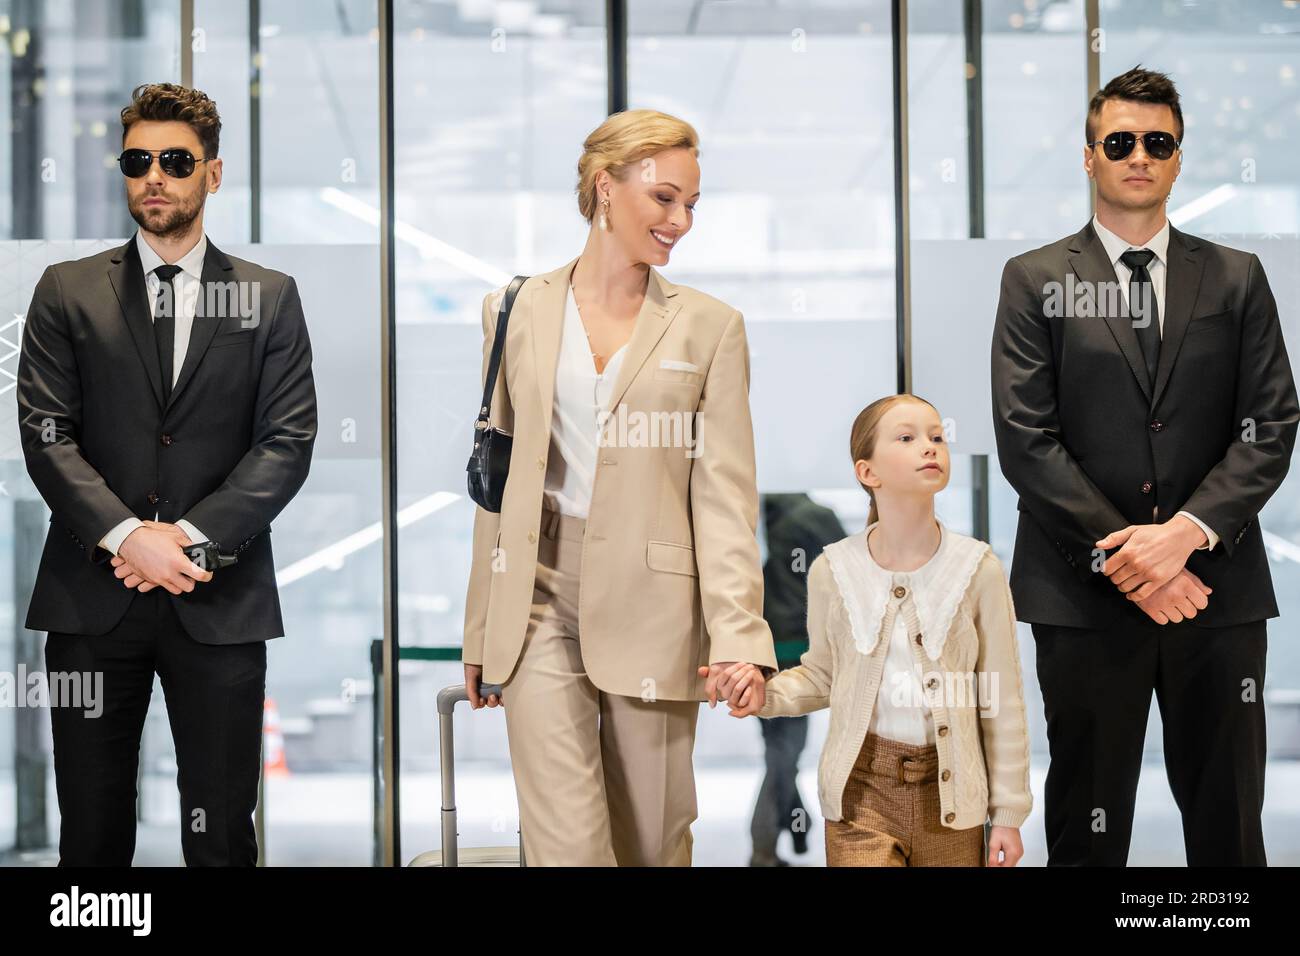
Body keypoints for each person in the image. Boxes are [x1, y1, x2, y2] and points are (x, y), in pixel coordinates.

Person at [990, 66, 1298, 865]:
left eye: (1156, 143)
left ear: (1178, 158)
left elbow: (1270, 423)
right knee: (1087, 825)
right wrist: (1137, 558)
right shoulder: (1035, 279)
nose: (1139, 155)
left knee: (1229, 829)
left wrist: (1185, 536)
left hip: (1216, 594)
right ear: (1089, 157)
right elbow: (1027, 438)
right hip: (1083, 594)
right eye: (1119, 141)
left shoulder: (1236, 276)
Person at [461, 109, 776, 866]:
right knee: (566, 847)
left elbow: (725, 499)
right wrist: (482, 623)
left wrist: (739, 635)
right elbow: (496, 483)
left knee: (652, 842)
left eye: (692, 204)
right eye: (665, 198)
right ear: (606, 187)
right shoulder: (512, 310)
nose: (681, 221)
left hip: (657, 606)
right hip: (535, 598)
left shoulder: (710, 327)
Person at [17, 83, 318, 866]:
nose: (154, 175)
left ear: (211, 175)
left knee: (220, 830)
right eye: (138, 159)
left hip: (220, 598)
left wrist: (180, 541)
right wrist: (126, 536)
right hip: (90, 600)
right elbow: (48, 437)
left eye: (175, 160)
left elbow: (285, 443)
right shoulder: (66, 290)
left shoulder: (267, 298)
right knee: (89, 830)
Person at [724, 395, 1032, 866]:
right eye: (907, 438)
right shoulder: (833, 569)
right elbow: (821, 676)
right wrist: (764, 695)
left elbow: (1003, 702)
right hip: (859, 795)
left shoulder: (978, 569)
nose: (929, 447)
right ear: (868, 473)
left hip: (952, 802)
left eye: (936, 437)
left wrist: (1007, 813)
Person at [749, 493, 845, 866]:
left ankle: (794, 832)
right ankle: (763, 849)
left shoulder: (762, 521)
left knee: (781, 753)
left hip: (764, 653)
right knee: (783, 757)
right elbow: (853, 570)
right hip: (796, 652)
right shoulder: (816, 516)